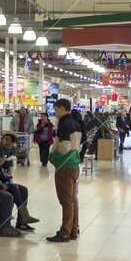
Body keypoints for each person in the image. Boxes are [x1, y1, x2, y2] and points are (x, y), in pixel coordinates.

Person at [47, 98, 85, 243]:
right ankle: (73, 229)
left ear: (62, 108)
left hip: (64, 165)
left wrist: (54, 154)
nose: (55, 113)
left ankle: (65, 232)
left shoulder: (64, 124)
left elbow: (64, 147)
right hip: (74, 164)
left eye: (56, 110)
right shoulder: (76, 123)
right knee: (73, 199)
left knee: (66, 200)